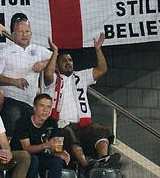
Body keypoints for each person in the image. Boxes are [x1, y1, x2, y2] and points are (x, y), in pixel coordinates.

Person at [42, 32, 117, 170]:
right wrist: (55, 52)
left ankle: (103, 160)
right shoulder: (53, 79)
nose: (68, 63)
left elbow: (102, 69)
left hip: (83, 126)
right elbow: (47, 74)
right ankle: (88, 167)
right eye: (64, 60)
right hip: (61, 128)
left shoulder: (80, 76)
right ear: (57, 65)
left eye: (70, 60)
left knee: (100, 130)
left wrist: (98, 49)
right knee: (69, 133)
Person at [0, 13, 54, 136]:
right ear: (13, 34)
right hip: (10, 100)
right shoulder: (4, 52)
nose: (24, 34)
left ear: (31, 34)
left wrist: (44, 63)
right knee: (15, 123)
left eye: (27, 31)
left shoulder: (38, 50)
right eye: (20, 31)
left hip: (30, 102)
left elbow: (57, 59)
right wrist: (13, 81)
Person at [16, 93, 68, 178]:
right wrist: (46, 145)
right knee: (33, 160)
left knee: (57, 161)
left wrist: (60, 152)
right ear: (35, 107)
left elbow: (55, 145)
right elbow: (26, 148)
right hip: (22, 157)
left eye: (48, 107)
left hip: (41, 156)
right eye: (42, 106)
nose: (45, 110)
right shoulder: (23, 122)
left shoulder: (52, 122)